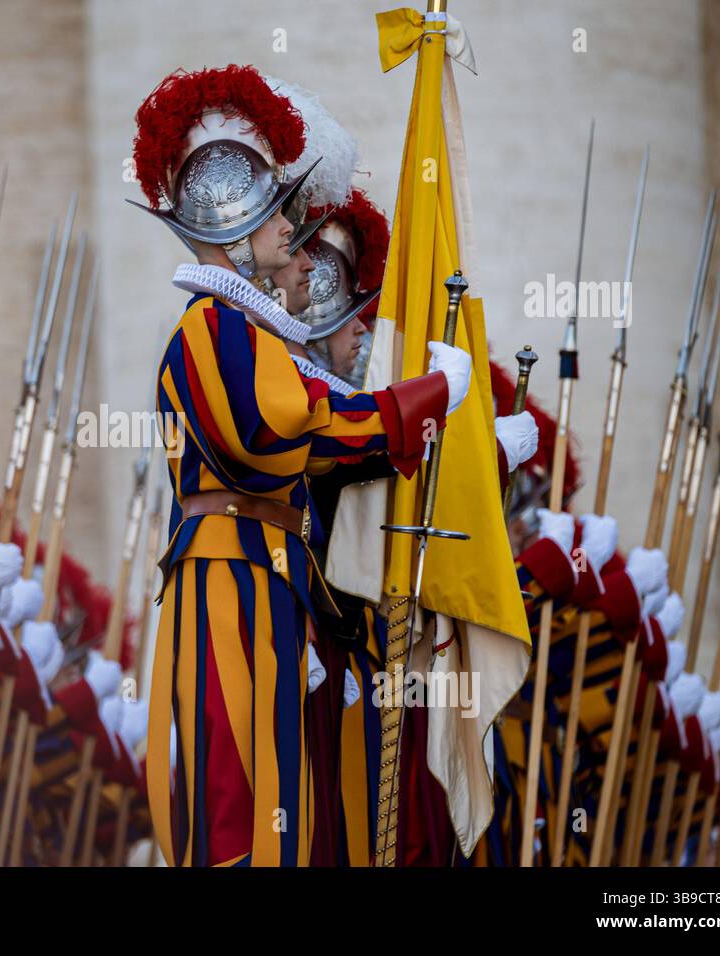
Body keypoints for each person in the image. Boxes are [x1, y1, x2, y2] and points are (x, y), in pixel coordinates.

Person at [130, 64, 472, 866]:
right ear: (232, 222)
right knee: (243, 815)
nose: (294, 227)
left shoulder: (242, 330)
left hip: (264, 577)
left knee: (281, 806)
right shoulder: (215, 325)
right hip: (231, 581)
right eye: (278, 210)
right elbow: (291, 432)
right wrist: (423, 399)